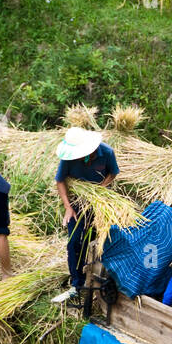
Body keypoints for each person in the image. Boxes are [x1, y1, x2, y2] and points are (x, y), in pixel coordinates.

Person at [51, 126, 119, 303]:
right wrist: (68, 206)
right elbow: (60, 180)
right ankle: (76, 284)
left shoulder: (107, 152)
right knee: (74, 242)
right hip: (76, 203)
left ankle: (98, 280)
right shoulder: (68, 158)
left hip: (100, 204)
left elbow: (113, 173)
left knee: (98, 242)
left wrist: (99, 190)